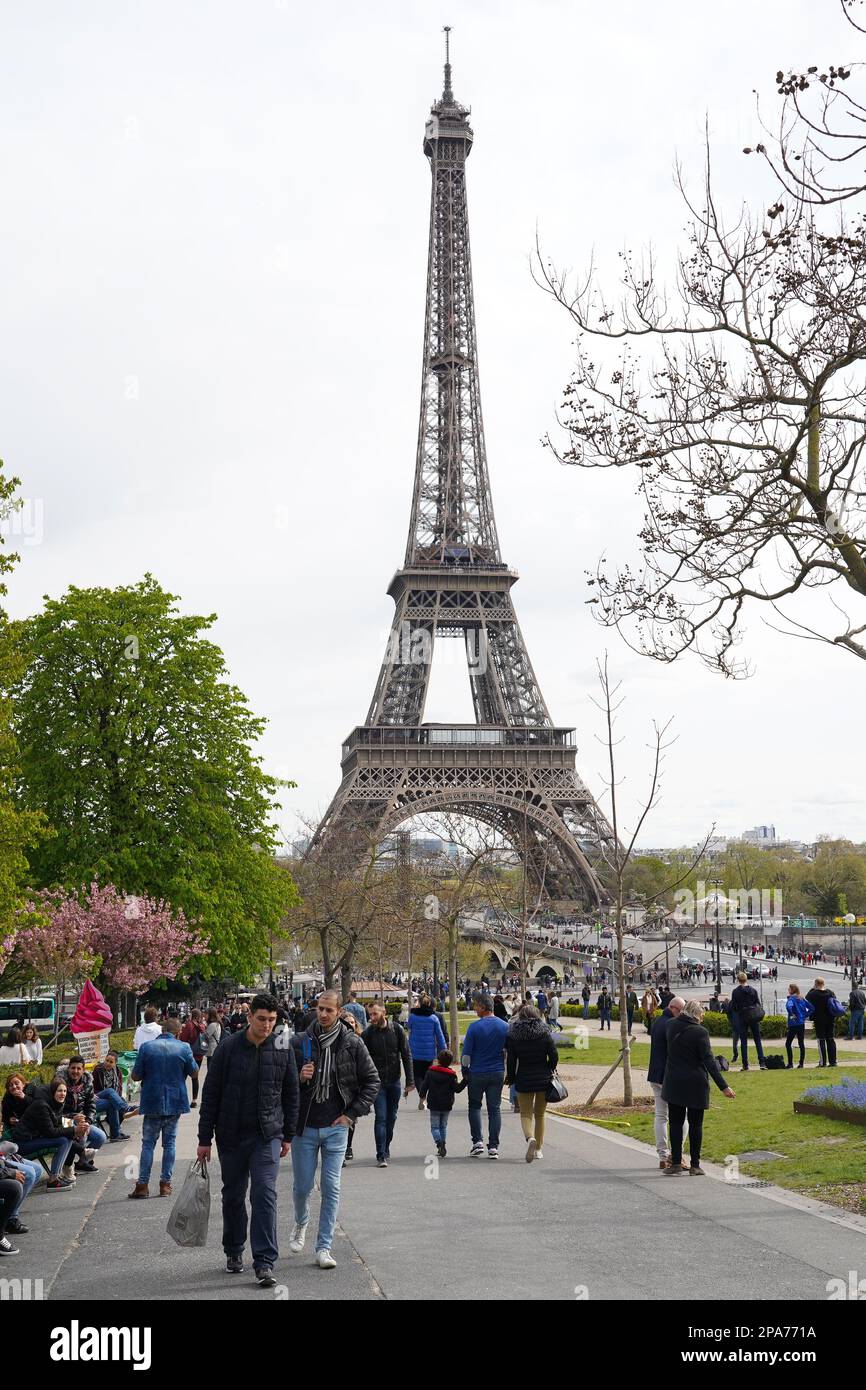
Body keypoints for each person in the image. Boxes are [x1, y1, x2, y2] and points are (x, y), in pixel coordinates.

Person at [198, 992, 299, 1288]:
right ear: (249, 1017)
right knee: (233, 1195)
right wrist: (204, 1138)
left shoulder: (283, 1049)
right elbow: (211, 1095)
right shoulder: (228, 1048)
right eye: (261, 1019)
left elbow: (291, 1094)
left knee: (264, 1194)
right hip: (230, 1135)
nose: (267, 1025)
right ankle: (233, 1249)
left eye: (272, 1020)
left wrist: (288, 1134)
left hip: (267, 1134)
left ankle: (265, 1261)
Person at [290, 990, 379, 1270]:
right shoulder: (300, 1042)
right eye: (320, 1009)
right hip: (304, 1127)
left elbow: (371, 1081)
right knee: (303, 1187)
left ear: (339, 1011)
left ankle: (324, 1247)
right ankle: (301, 1222)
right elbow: (280, 1084)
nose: (324, 1014)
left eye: (329, 1010)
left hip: (336, 1127)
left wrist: (351, 1114)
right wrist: (298, 1076)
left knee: (332, 1186)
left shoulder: (352, 1043)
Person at [662, 999, 735, 1175]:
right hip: (695, 1083)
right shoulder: (700, 1032)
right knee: (696, 1124)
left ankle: (676, 1163)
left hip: (674, 1081)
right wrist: (724, 1087)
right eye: (702, 1013)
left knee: (675, 1123)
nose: (703, 1017)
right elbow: (709, 1062)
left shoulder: (670, 1025)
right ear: (696, 1013)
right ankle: (695, 1165)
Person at [130, 1017, 198, 1200]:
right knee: (170, 1144)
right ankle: (165, 1184)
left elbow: (136, 1076)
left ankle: (142, 1185)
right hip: (175, 1101)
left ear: (161, 1030)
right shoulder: (184, 1048)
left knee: (148, 1144)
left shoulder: (146, 1047)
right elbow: (194, 1072)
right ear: (178, 1032)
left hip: (152, 1101)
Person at [361, 1001, 415, 1168]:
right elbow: (361, 1059)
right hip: (376, 1084)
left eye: (375, 1014)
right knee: (381, 1117)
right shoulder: (368, 1033)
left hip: (394, 1081)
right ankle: (381, 1154)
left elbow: (406, 1055)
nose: (372, 1018)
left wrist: (410, 1081)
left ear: (384, 1012)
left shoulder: (397, 1030)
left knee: (392, 1118)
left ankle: (386, 1146)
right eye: (370, 1014)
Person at [505, 1003, 558, 1163]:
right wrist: (549, 1067)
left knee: (526, 1113)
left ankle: (530, 1139)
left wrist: (511, 1077)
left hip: (524, 1077)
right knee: (540, 1114)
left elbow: (512, 1060)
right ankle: (539, 1149)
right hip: (543, 1077)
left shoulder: (513, 1035)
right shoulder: (544, 1033)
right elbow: (554, 1055)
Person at [461, 993, 508, 1159]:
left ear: (483, 1007)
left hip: (477, 1072)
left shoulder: (474, 1027)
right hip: (497, 1072)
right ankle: (493, 1146)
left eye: (476, 1006)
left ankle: (477, 1142)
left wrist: (465, 1071)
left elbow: (466, 1054)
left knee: (474, 1106)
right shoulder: (504, 1026)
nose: (474, 1009)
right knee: (494, 1109)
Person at [14, 1077, 83, 1188]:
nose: (63, 1094)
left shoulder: (51, 1103)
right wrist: (74, 1129)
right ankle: (53, 1180)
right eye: (59, 1091)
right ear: (52, 1092)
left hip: (33, 1138)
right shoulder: (41, 1105)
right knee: (63, 1140)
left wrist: (73, 1121)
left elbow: (56, 1120)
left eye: (65, 1091)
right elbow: (50, 1132)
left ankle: (57, 1175)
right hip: (22, 1143)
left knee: (68, 1137)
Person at [646, 995, 685, 1168]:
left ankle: (663, 1155)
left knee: (661, 1116)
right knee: (680, 1117)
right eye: (681, 1010)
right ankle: (677, 1153)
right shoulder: (671, 1025)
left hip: (655, 1073)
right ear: (673, 1008)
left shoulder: (657, 1022)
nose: (682, 1014)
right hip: (668, 1076)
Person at [55, 1057, 107, 1167]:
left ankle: (83, 1162)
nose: (75, 1071)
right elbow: (55, 1110)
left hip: (81, 1118)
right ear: (68, 1069)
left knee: (101, 1137)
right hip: (63, 1119)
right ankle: (67, 1167)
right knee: (80, 1137)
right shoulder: (59, 1082)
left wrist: (88, 1121)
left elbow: (91, 1106)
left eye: (79, 1068)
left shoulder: (88, 1083)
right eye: (73, 1068)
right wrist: (73, 1118)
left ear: (83, 1070)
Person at [419, 1048, 467, 1156]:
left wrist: (422, 1097)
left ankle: (439, 1144)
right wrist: (465, 1080)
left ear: (438, 1060)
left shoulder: (431, 1072)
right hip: (447, 1104)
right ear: (450, 1062)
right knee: (443, 1126)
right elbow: (457, 1089)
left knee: (434, 1127)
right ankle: (443, 1145)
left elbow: (424, 1086)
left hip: (434, 1103)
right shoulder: (451, 1075)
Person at [407, 995, 447, 1107]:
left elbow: (408, 1027)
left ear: (419, 1003)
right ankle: (424, 1095)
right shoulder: (433, 1018)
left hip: (415, 1051)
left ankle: (422, 1096)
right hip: (429, 1052)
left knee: (417, 1075)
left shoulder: (413, 1016)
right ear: (430, 1004)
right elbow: (439, 1035)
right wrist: (444, 1049)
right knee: (426, 1075)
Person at [92, 1051, 139, 1141]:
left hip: (111, 1098)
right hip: (98, 1095)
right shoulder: (98, 1069)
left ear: (115, 1063)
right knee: (110, 1091)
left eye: (111, 1062)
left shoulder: (118, 1072)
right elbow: (93, 1088)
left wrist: (116, 1098)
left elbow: (120, 1089)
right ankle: (125, 1109)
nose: (108, 1063)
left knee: (113, 1102)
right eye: (107, 1060)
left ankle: (115, 1135)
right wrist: (109, 1095)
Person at [730, 972, 766, 1071]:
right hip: (753, 1016)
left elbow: (734, 1007)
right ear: (746, 979)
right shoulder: (753, 991)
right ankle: (762, 1062)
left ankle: (745, 1064)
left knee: (744, 1041)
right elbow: (757, 1003)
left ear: (738, 980)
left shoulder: (736, 992)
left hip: (742, 1017)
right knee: (757, 1040)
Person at [806, 977, 839, 1068]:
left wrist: (812, 989)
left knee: (821, 1040)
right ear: (823, 984)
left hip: (819, 1020)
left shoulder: (812, 994)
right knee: (830, 1039)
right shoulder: (830, 992)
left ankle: (823, 1062)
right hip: (830, 1019)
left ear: (816, 984)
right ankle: (833, 1061)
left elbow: (806, 1001)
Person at [180, 1009, 207, 1106]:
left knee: (182, 1077)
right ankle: (194, 1100)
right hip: (199, 1055)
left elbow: (183, 1039)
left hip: (188, 1055)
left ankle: (181, 1099)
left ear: (193, 1016)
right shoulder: (203, 1026)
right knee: (195, 1077)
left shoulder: (189, 1025)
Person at [784, 984, 813, 1068]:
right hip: (801, 1023)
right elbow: (811, 1008)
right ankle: (801, 1063)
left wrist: (792, 1014)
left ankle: (790, 1063)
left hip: (793, 1024)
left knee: (788, 1043)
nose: (788, 990)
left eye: (789, 988)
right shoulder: (802, 998)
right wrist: (805, 1015)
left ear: (792, 990)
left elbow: (788, 1006)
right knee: (801, 1043)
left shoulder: (791, 999)